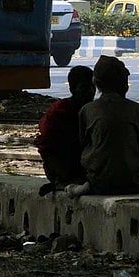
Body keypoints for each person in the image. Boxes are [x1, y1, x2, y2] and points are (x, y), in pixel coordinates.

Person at [67, 55, 139, 197]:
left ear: (96, 84)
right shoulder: (137, 110)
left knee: (97, 177)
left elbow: (83, 143)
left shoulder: (87, 110)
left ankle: (87, 186)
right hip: (134, 182)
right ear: (123, 84)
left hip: (99, 181)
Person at [36, 65, 95, 196]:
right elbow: (45, 146)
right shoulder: (59, 111)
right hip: (62, 167)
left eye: (93, 87)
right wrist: (64, 173)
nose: (90, 92)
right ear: (72, 89)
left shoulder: (94, 110)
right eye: (85, 88)